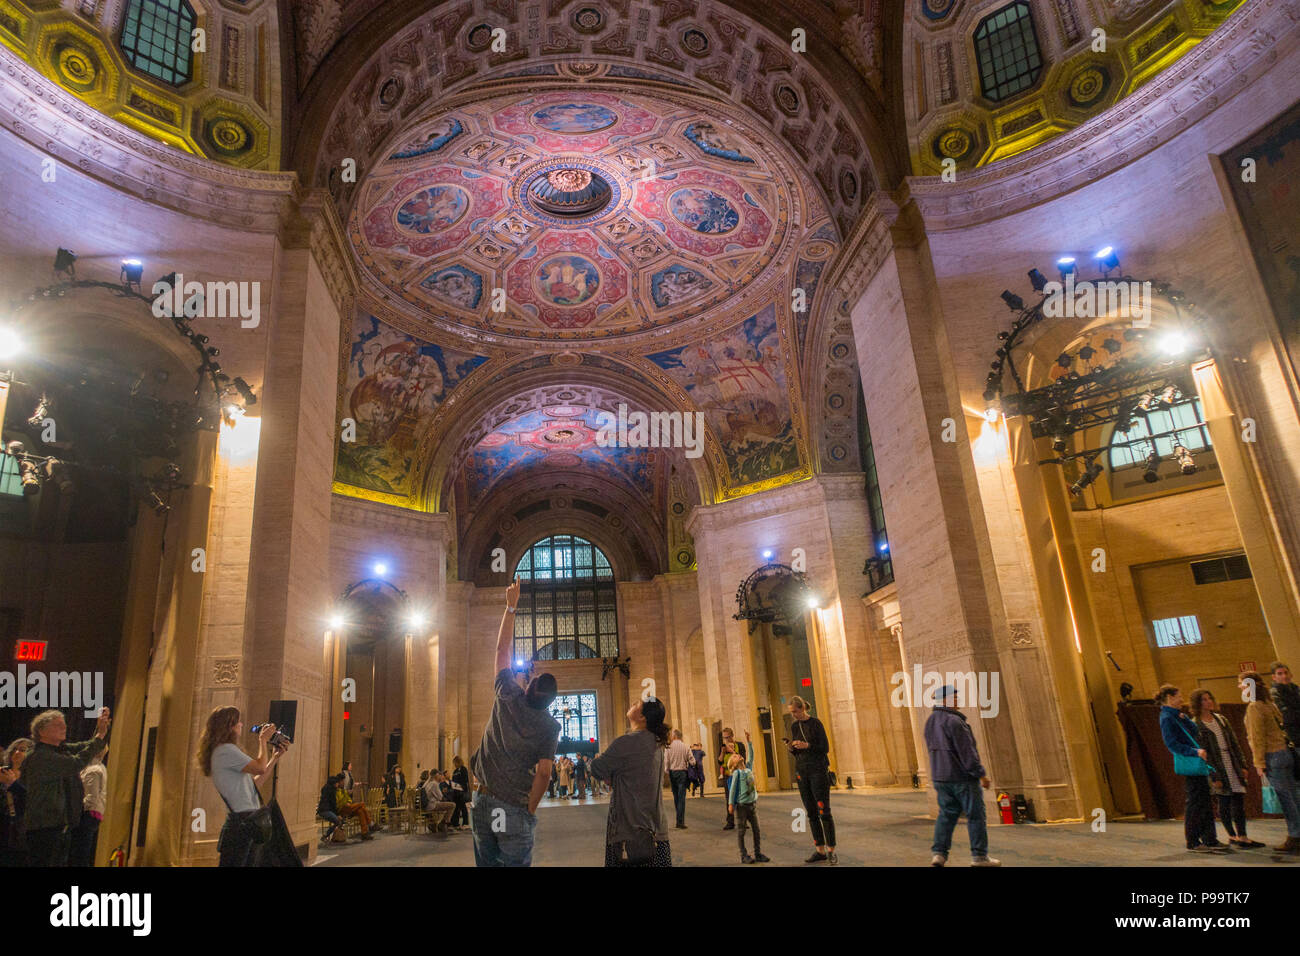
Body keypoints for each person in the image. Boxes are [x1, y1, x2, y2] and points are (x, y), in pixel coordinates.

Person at [470, 576, 561, 866]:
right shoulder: (550, 726)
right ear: (550, 702)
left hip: (483, 800)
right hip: (513, 805)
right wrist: (529, 809)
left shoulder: (507, 693)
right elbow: (544, 773)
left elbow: (502, 652)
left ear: (528, 685)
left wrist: (511, 607)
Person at [197, 706, 288, 867]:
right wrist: (262, 740)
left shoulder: (225, 751)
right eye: (238, 722)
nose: (241, 724)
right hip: (241, 824)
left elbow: (254, 785)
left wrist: (274, 758)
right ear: (229, 725)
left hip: (248, 823)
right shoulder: (225, 750)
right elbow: (259, 767)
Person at [22, 708, 111, 867]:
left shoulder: (60, 750)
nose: (64, 727)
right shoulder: (40, 755)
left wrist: (101, 730)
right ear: (41, 731)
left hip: (58, 825)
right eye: (57, 725)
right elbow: (76, 763)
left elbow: (87, 747)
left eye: (64, 724)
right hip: (44, 826)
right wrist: (99, 736)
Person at [590, 697, 672, 866]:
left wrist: (612, 774)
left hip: (630, 830)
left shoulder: (627, 742)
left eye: (637, 704)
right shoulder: (656, 741)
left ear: (642, 717)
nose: (632, 703)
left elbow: (597, 768)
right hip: (657, 829)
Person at [924, 686, 1000, 867]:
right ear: (945, 700)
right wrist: (981, 775)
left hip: (940, 777)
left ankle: (939, 854)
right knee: (975, 816)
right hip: (961, 778)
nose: (958, 700)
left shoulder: (930, 721)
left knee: (946, 816)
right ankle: (980, 856)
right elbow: (967, 753)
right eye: (955, 698)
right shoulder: (955, 722)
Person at [1156, 684, 1229, 854]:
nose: (1182, 699)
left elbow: (1194, 730)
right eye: (1178, 696)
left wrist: (1184, 718)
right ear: (1169, 698)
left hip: (1196, 762)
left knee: (1204, 802)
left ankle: (1210, 839)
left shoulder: (1177, 715)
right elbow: (1171, 744)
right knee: (1195, 803)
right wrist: (1194, 751)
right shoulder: (1166, 717)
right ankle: (1193, 841)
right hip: (1191, 762)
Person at [1190, 689, 1262, 849]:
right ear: (1197, 703)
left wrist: (1242, 765)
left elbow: (1235, 743)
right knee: (1224, 801)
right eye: (1204, 699)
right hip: (1216, 766)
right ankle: (1232, 835)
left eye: (1209, 698)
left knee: (1238, 800)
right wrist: (1213, 775)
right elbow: (1202, 752)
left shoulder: (1221, 719)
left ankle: (1242, 836)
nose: (1208, 702)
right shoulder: (1195, 724)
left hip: (1231, 762)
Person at [1242, 671, 1300, 852]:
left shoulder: (1254, 707)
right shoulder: (1269, 704)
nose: (1240, 687)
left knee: (1286, 799)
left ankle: (1295, 836)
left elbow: (1257, 738)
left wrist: (1258, 763)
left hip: (1273, 756)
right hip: (1285, 753)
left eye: (1241, 683)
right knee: (1294, 796)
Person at [787, 695, 836, 864]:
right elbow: (797, 752)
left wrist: (807, 745)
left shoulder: (816, 723)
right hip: (802, 771)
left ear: (802, 708)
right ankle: (819, 850)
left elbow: (825, 748)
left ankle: (831, 850)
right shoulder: (794, 726)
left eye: (795, 711)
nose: (793, 715)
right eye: (791, 712)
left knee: (824, 811)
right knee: (811, 812)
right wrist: (792, 748)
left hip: (818, 770)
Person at [727, 735, 769, 863]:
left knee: (756, 830)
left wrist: (749, 742)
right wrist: (730, 804)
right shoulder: (737, 773)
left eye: (737, 754)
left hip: (752, 805)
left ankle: (758, 853)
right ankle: (743, 855)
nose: (738, 755)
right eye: (735, 756)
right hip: (742, 806)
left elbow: (752, 756)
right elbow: (732, 790)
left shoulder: (748, 769)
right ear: (733, 764)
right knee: (741, 831)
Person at [68, 747, 107, 866]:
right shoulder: (99, 767)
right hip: (93, 813)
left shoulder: (92, 770)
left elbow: (91, 796)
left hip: (87, 814)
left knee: (80, 852)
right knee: (83, 851)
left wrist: (79, 811)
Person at [0, 738, 33, 867]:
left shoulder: (32, 775)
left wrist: (13, 784)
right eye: (14, 749)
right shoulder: (3, 771)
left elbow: (32, 799)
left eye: (22, 750)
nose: (17, 752)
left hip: (21, 826)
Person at [717, 728, 746, 829]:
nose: (726, 739)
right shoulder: (723, 747)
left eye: (728, 737)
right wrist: (722, 752)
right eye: (724, 738)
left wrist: (732, 751)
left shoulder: (740, 745)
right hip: (727, 776)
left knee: (741, 799)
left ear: (732, 735)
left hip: (738, 775)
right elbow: (720, 761)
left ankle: (743, 821)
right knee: (729, 799)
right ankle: (730, 822)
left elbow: (742, 759)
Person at [665, 728, 690, 828]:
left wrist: (667, 771)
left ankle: (678, 820)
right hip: (682, 773)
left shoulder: (668, 747)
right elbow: (692, 760)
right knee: (681, 797)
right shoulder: (685, 746)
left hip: (672, 773)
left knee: (676, 797)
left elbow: (666, 761)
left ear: (675, 736)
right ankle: (680, 821)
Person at [1270, 663, 1300, 745]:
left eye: (1286, 673)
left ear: (1291, 674)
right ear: (1274, 677)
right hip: (1293, 734)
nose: (1284, 676)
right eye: (1280, 674)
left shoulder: (1296, 689)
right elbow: (1286, 714)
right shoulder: (1275, 693)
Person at [449, 755, 470, 829]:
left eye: (455, 763)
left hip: (462, 792)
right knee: (456, 808)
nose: (454, 764)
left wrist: (460, 787)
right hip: (456, 792)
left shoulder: (463, 769)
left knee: (463, 807)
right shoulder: (455, 771)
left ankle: (465, 823)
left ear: (458, 762)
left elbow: (465, 780)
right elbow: (453, 780)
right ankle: (455, 824)